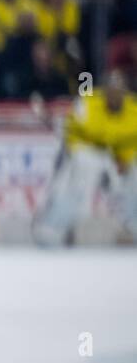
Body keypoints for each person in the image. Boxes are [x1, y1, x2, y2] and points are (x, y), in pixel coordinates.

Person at [33, 71, 137, 246]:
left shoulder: (133, 110)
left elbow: (131, 142)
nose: (114, 94)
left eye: (119, 89)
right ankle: (53, 227)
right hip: (84, 153)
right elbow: (71, 135)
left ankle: (132, 225)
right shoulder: (88, 104)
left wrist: (122, 159)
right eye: (111, 89)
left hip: (115, 157)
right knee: (81, 179)